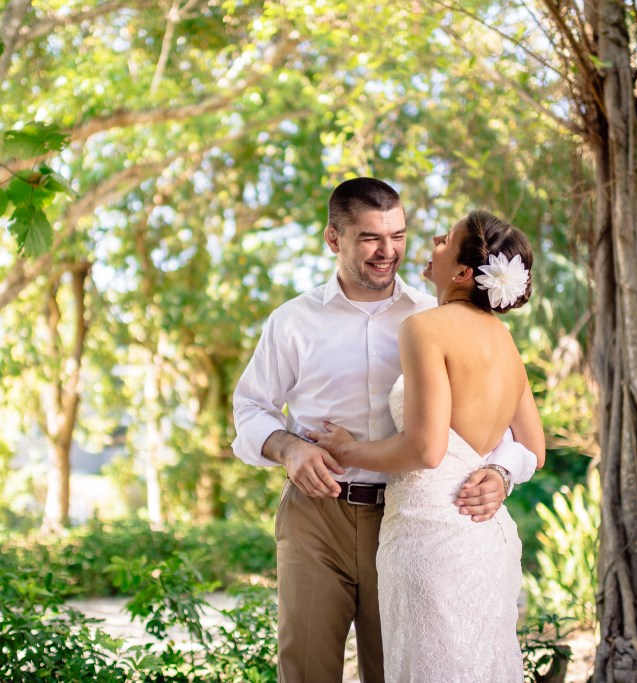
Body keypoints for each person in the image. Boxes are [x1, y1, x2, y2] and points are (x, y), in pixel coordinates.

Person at [231, 179, 539, 683]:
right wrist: (287, 448)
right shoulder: (292, 321)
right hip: (317, 518)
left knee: (395, 670)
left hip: (412, 520)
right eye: (371, 238)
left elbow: (489, 418)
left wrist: (502, 473)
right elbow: (249, 407)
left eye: (397, 235)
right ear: (334, 239)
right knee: (306, 670)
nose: (388, 251)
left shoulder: (436, 316)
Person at [305, 210, 546, 682]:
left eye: (447, 238)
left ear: (462, 272)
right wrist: (500, 473)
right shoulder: (503, 340)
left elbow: (425, 450)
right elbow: (533, 447)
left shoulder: (425, 328)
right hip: (485, 540)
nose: (434, 238)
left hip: (430, 540)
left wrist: (346, 450)